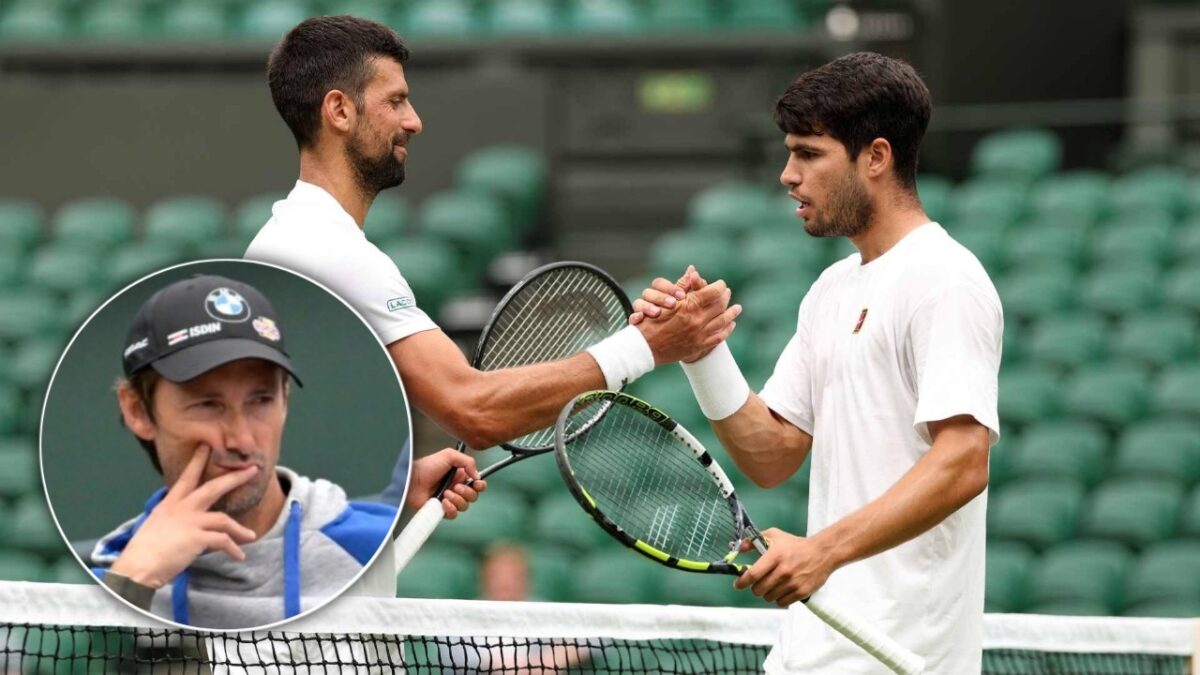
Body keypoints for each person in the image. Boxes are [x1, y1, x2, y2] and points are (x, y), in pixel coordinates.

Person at [244, 15, 738, 515]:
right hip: (307, 584)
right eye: (395, 101)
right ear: (339, 110)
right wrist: (647, 346)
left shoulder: (286, 240)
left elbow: (300, 439)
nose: (414, 120)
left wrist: (392, 485)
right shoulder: (331, 253)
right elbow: (474, 410)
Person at [633, 53, 1000, 674]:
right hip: (809, 652)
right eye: (789, 152)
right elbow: (772, 456)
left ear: (876, 158)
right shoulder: (831, 288)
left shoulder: (946, 280)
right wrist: (700, 351)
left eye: (808, 153)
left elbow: (963, 461)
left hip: (897, 659)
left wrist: (821, 552)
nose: (787, 175)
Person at [92, 274, 478, 628]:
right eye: (207, 404)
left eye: (260, 399)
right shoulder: (111, 575)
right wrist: (132, 583)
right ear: (137, 410)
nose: (241, 440)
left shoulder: (368, 548)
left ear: (285, 399)